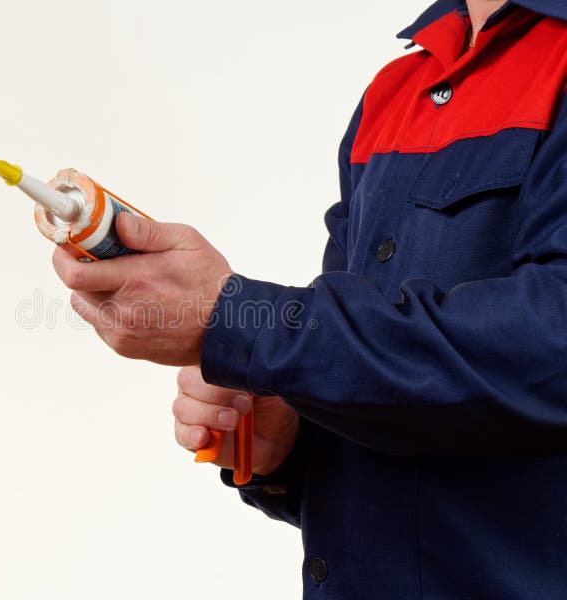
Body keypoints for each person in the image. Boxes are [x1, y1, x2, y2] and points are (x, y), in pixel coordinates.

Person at [52, 0, 567, 596]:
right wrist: (293, 444)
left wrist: (241, 322)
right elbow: (393, 390)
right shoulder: (394, 92)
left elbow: (549, 348)